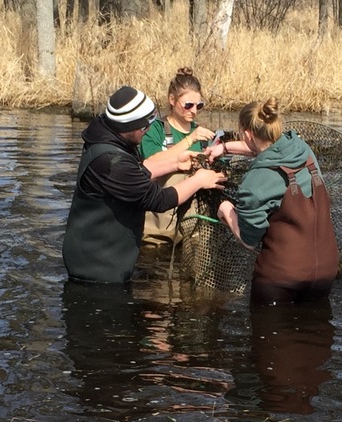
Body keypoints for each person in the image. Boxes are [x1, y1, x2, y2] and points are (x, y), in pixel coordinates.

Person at [62, 85, 226, 284]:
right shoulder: (111, 161)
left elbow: (138, 172)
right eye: (144, 126)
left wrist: (175, 163)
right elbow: (160, 200)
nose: (148, 130)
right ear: (126, 126)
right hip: (98, 269)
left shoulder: (109, 140)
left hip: (102, 256)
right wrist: (199, 180)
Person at [205, 98, 339, 304]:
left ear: (247, 134)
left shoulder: (255, 181)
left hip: (282, 279)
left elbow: (249, 240)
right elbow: (265, 148)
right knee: (314, 331)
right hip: (325, 272)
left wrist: (225, 209)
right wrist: (224, 148)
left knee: (270, 334)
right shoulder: (301, 149)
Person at [139, 68, 217, 244]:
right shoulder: (156, 129)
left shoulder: (203, 135)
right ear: (172, 100)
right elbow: (151, 164)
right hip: (157, 227)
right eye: (188, 105)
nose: (194, 111)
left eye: (199, 105)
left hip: (192, 226)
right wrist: (190, 139)